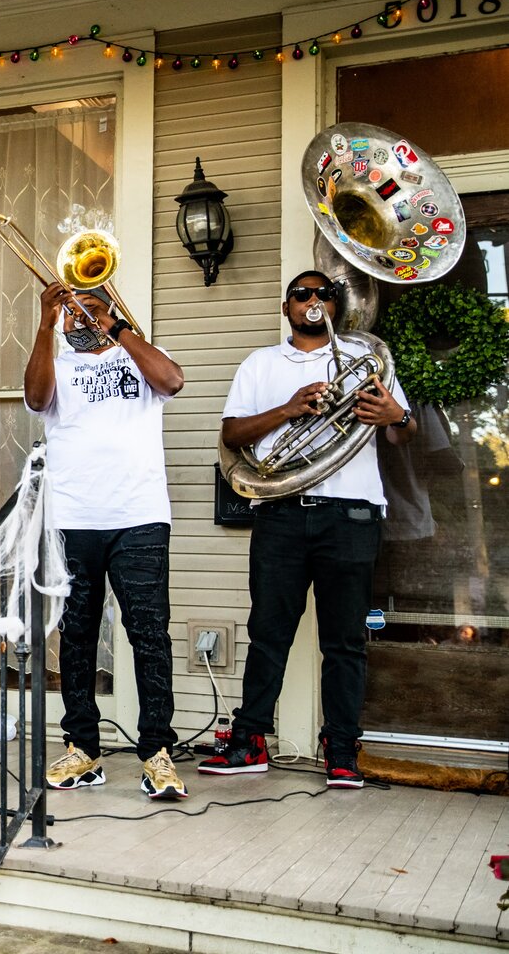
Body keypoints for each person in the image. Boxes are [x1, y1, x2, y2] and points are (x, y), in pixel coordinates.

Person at [201, 271, 414, 788]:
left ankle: (341, 748)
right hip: (282, 510)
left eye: (324, 294)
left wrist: (396, 415)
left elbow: (403, 440)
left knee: (345, 641)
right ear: (286, 306)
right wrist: (292, 407)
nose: (314, 301)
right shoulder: (262, 364)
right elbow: (231, 435)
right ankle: (251, 740)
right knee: (268, 633)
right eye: (303, 294)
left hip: (351, 514)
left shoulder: (364, 360)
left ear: (335, 307)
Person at [25, 282, 188, 801]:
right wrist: (47, 323)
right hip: (74, 518)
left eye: (88, 310)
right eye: (70, 312)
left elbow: (173, 380)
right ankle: (83, 749)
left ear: (112, 311)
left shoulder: (137, 356)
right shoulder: (57, 362)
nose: (79, 319)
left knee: (148, 634)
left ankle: (157, 752)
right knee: (76, 636)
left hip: (139, 516)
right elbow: (35, 397)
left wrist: (115, 327)